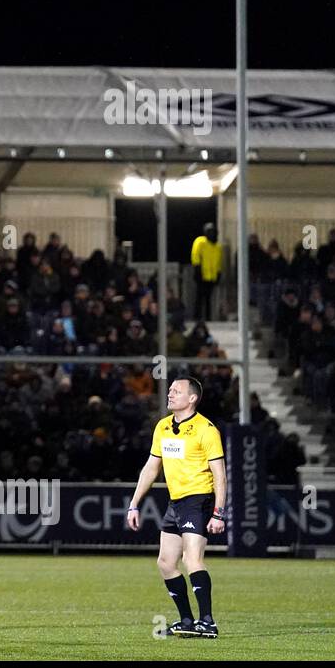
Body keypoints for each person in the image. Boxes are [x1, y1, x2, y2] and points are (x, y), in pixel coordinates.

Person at [126, 376, 227, 638]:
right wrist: (134, 503)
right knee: (165, 562)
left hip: (198, 500)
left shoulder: (206, 429)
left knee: (192, 559)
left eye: (176, 391)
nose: (170, 394)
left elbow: (220, 475)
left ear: (192, 398)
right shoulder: (162, 427)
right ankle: (186, 620)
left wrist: (219, 512)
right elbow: (151, 467)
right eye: (170, 390)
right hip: (175, 502)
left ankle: (208, 622)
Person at [190, 223, 223, 321]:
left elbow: (218, 262)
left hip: (211, 277)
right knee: (199, 297)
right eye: (209, 232)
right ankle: (197, 317)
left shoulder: (217, 247)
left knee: (208, 298)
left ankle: (208, 318)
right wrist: (197, 268)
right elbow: (195, 255)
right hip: (201, 275)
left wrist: (218, 274)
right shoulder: (200, 242)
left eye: (213, 232)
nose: (212, 234)